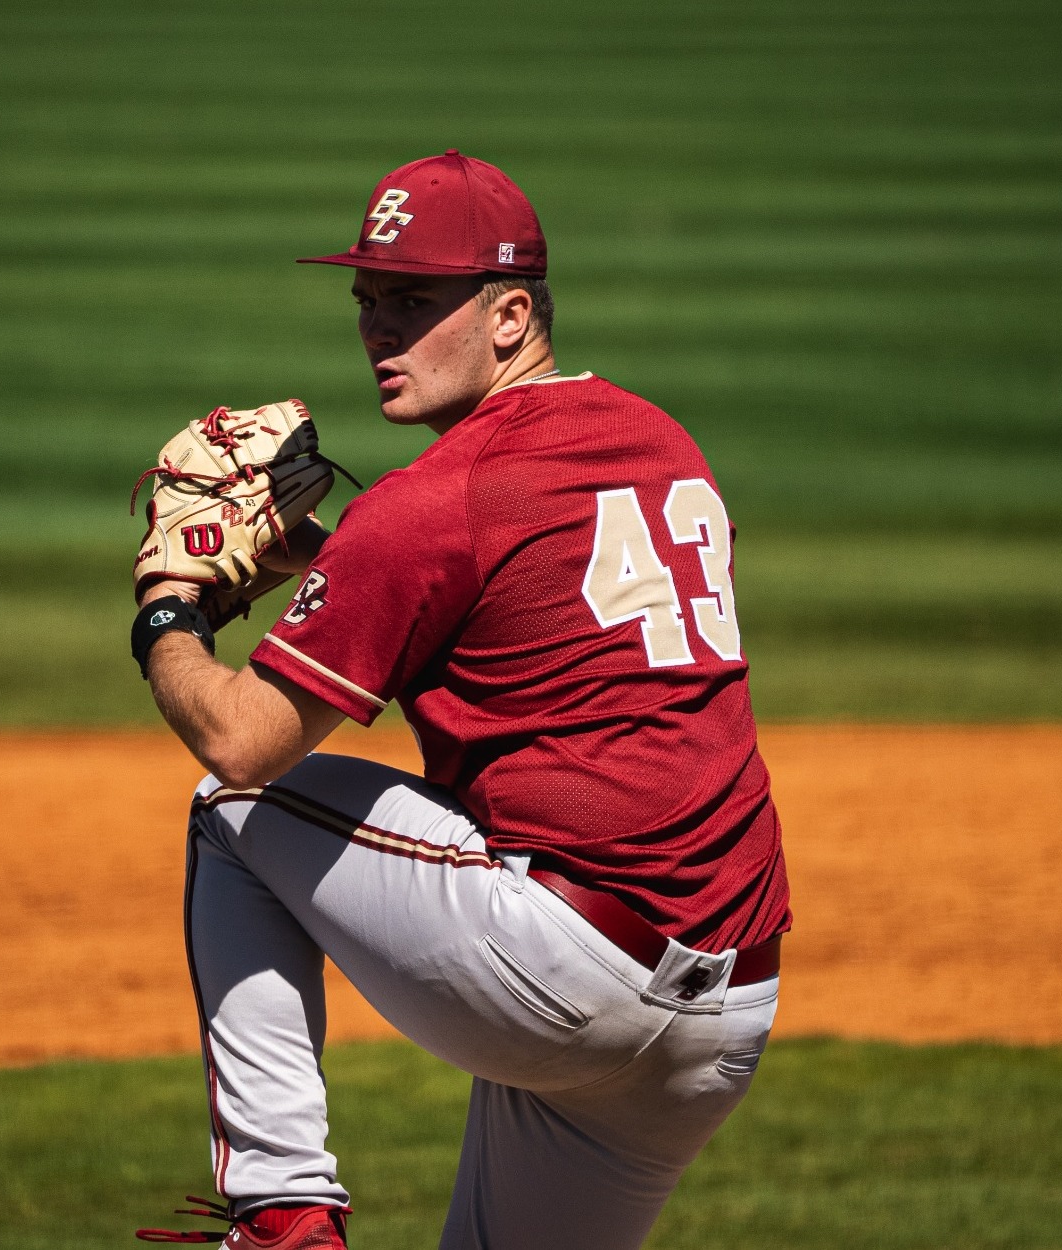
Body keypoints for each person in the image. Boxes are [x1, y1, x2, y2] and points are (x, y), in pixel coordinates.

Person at [130, 150, 790, 1250]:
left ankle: (281, 1209)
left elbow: (243, 741)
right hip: (727, 1016)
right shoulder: (657, 438)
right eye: (369, 300)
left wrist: (165, 607)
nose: (380, 328)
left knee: (232, 816)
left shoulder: (433, 499)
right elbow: (521, 607)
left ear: (509, 312)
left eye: (415, 300)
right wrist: (331, 562)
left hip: (566, 973)